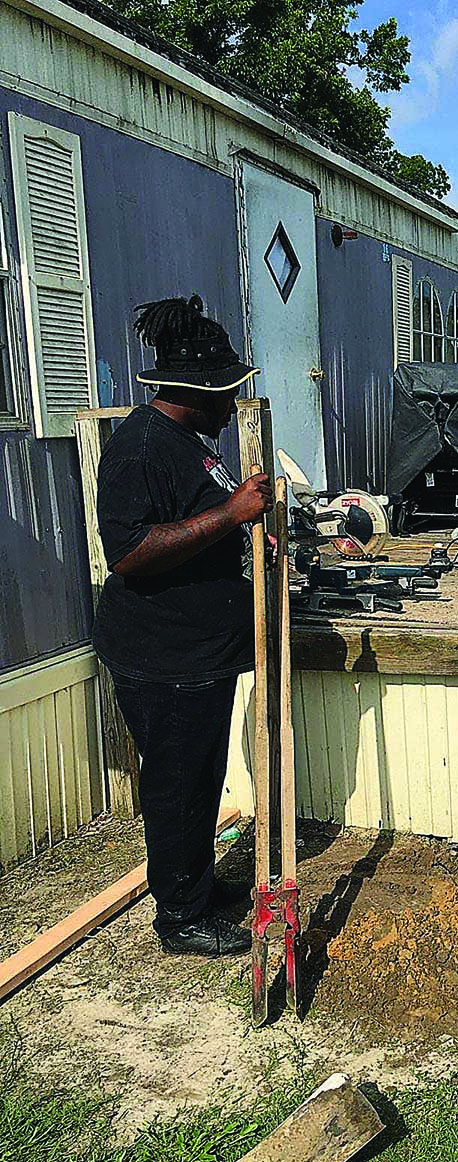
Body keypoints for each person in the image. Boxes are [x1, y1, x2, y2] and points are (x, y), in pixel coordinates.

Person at [92, 295, 271, 957]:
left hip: (199, 654)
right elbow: (129, 551)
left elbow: (201, 524)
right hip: (163, 658)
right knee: (175, 787)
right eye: (225, 392)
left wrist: (246, 534)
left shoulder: (189, 442)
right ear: (197, 393)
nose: (232, 403)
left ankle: (195, 886)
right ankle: (179, 918)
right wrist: (229, 516)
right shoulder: (140, 449)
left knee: (199, 780)